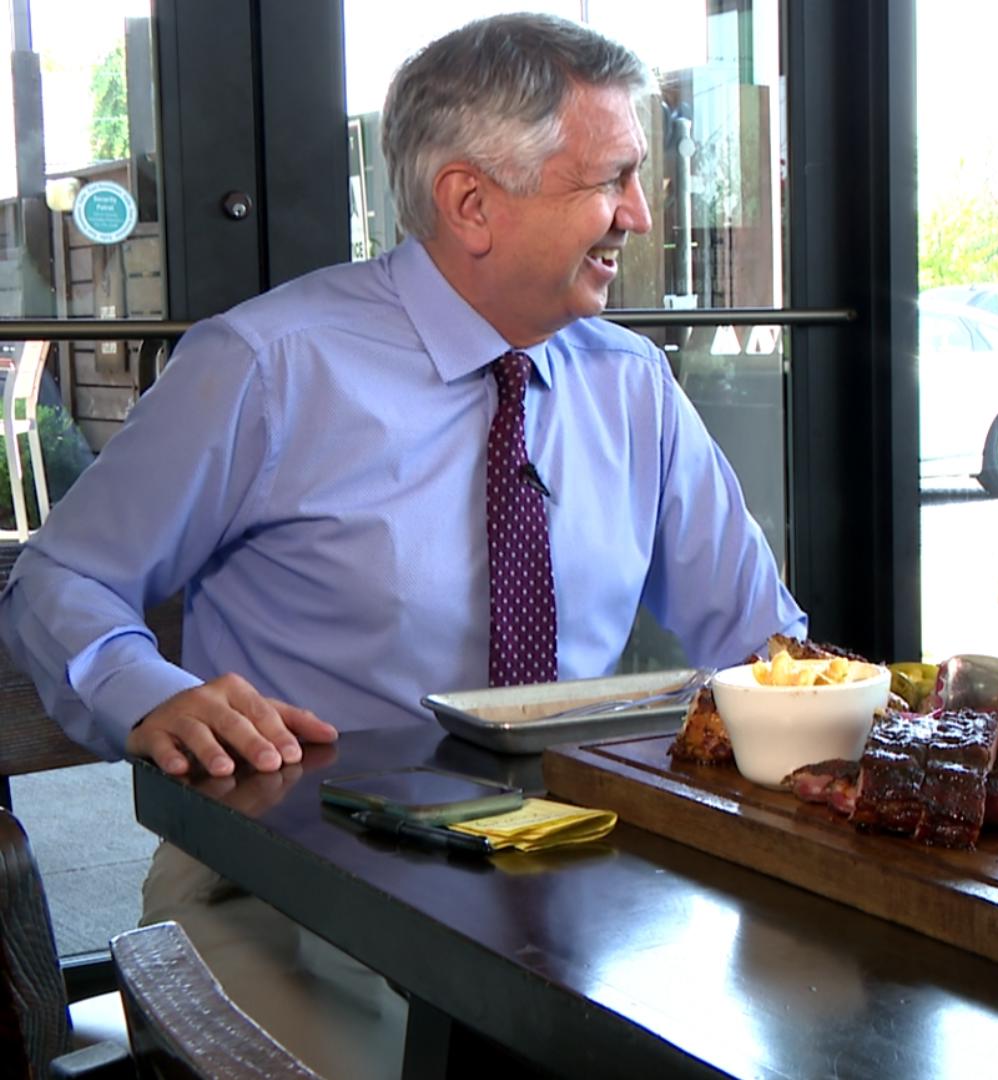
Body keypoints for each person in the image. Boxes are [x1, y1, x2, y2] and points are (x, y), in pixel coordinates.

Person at [0, 14, 804, 1076]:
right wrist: (147, 690)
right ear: (472, 202)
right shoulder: (266, 366)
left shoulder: (632, 387)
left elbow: (766, 654)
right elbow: (62, 578)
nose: (640, 216)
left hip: (575, 880)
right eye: (611, 180)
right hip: (286, 885)